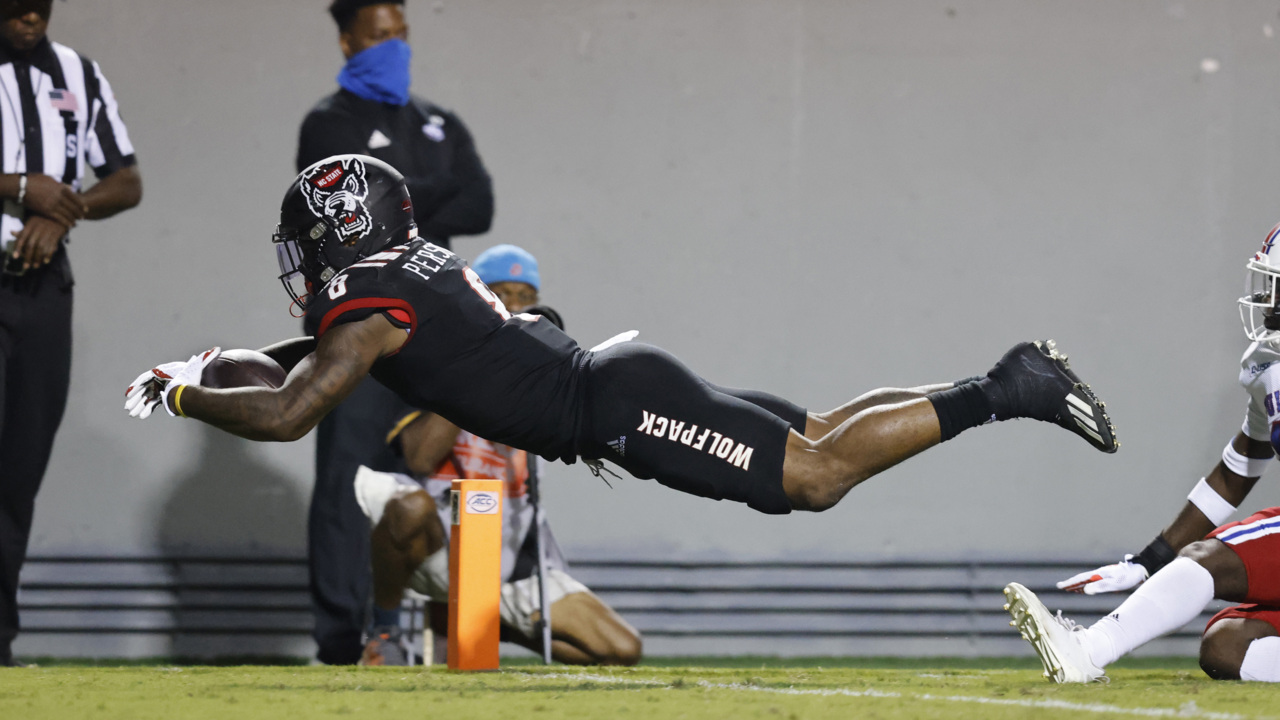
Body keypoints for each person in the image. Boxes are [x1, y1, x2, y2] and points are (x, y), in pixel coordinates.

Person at [124, 155, 1118, 585]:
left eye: (307, 236)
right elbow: (289, 362)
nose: (299, 256)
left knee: (811, 476)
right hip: (615, 382)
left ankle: (1008, 388)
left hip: (612, 401)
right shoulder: (395, 285)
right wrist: (205, 362)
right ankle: (1003, 382)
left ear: (341, 231)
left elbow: (292, 409)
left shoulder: (370, 305)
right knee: (812, 437)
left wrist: (179, 394)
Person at [296, 0, 494, 665]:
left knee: (431, 472)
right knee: (346, 482)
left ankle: (438, 632)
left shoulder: (438, 122)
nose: (395, 46)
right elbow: (344, 212)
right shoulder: (329, 124)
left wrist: (402, 193)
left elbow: (481, 202)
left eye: (402, 34)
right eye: (380, 37)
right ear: (349, 41)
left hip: (433, 324)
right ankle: (341, 641)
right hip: (359, 324)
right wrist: (430, 194)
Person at [1003, 223, 1280, 683]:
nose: (1268, 303)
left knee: (1206, 559)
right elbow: (1240, 467)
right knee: (1227, 645)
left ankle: (1089, 649)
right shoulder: (1266, 365)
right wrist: (1147, 561)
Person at [352, 244, 641, 666]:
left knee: (619, 649)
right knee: (405, 508)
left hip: (505, 551)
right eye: (501, 292)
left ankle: (495, 621)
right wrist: (474, 370)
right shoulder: (426, 359)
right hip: (436, 538)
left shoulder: (540, 378)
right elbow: (418, 458)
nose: (514, 304)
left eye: (525, 296)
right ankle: (384, 632)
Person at [0, 0, 141, 667]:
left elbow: (127, 179)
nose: (29, 11)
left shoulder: (77, 73)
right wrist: (19, 185)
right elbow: (29, 184)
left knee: (19, 467)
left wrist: (63, 211)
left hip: (40, 287)